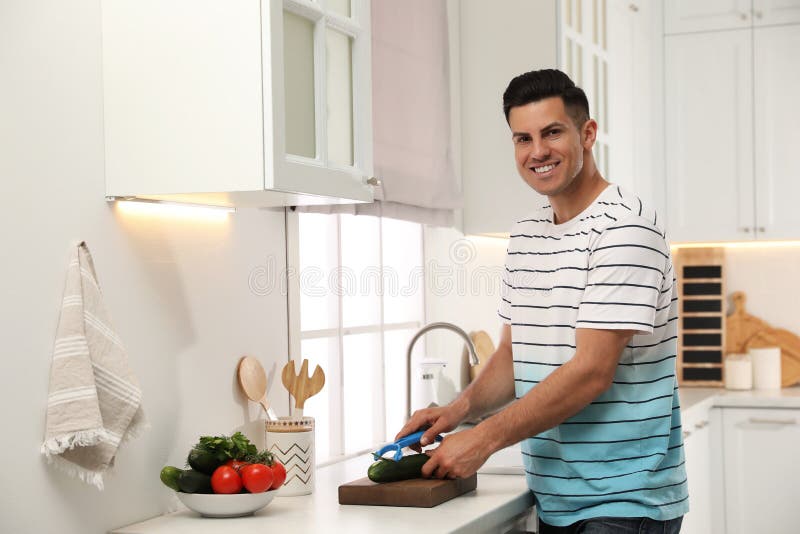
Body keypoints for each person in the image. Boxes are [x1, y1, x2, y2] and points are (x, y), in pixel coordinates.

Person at [396, 69, 687, 533]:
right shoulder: (528, 233)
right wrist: (457, 410)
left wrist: (485, 439)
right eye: (522, 138)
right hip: (555, 497)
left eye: (552, 132)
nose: (538, 152)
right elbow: (514, 357)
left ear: (587, 133)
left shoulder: (625, 228)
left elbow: (592, 371)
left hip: (624, 503)